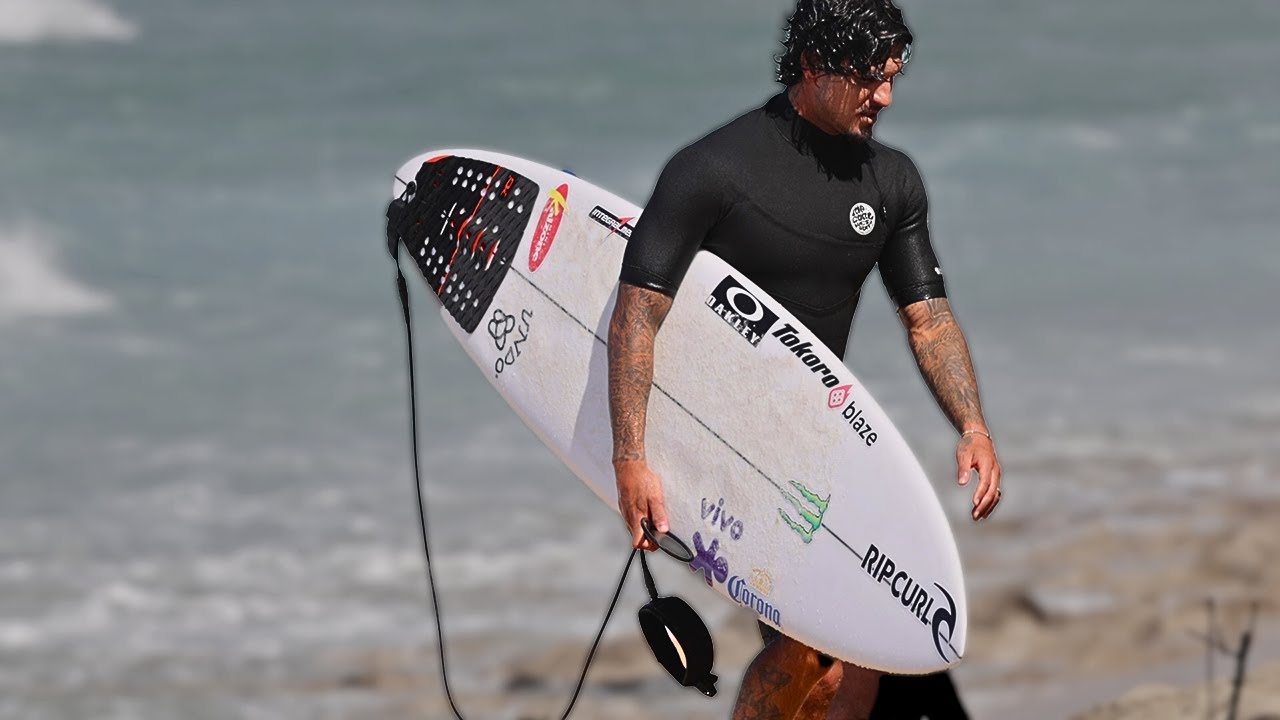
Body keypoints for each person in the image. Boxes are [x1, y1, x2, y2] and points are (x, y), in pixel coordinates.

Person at [605, 0, 1003, 717]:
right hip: (723, 448)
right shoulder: (712, 171)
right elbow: (638, 309)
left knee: (855, 653)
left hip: (814, 448)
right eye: (868, 80)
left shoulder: (892, 183)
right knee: (813, 654)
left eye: (892, 78)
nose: (884, 96)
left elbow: (927, 318)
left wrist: (972, 426)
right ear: (815, 68)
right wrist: (631, 458)